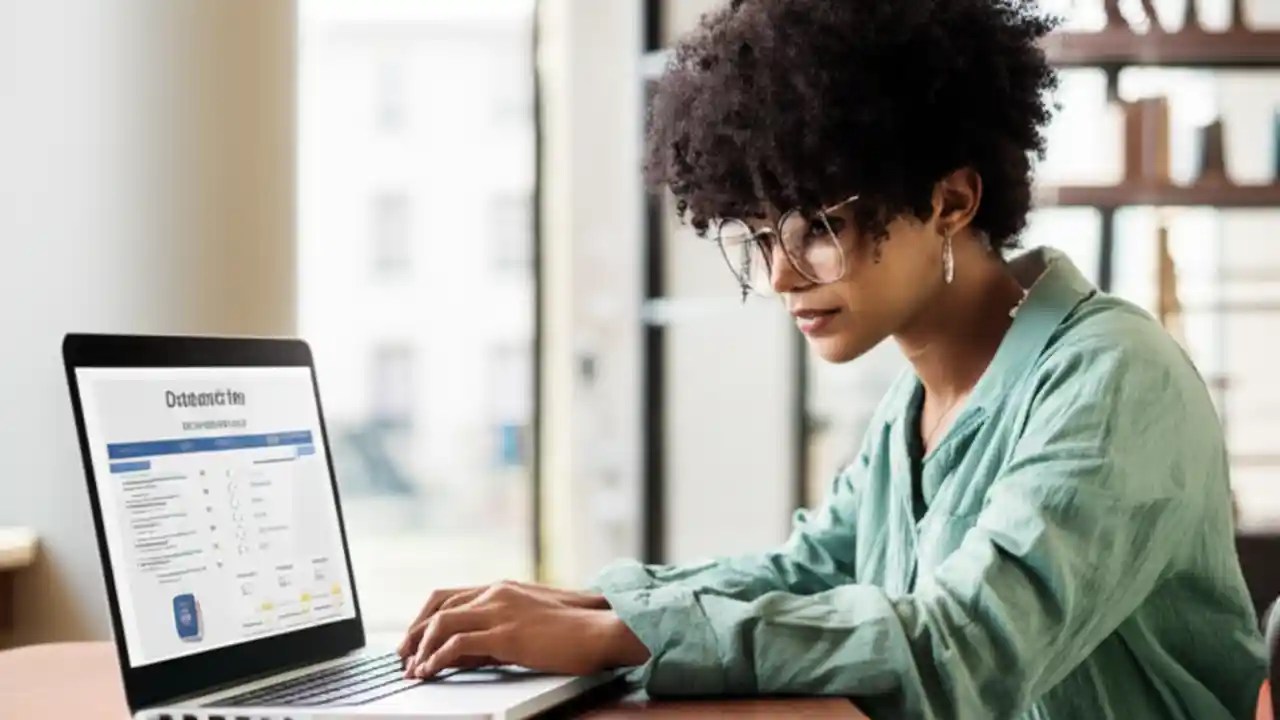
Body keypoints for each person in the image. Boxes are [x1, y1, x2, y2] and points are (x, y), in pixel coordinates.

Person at [396, 0, 1268, 716]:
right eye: (759, 236)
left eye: (819, 228)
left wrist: (630, 633)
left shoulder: (1113, 375)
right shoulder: (916, 407)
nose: (779, 276)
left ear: (951, 201)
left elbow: (967, 644)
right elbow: (812, 567)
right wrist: (591, 602)